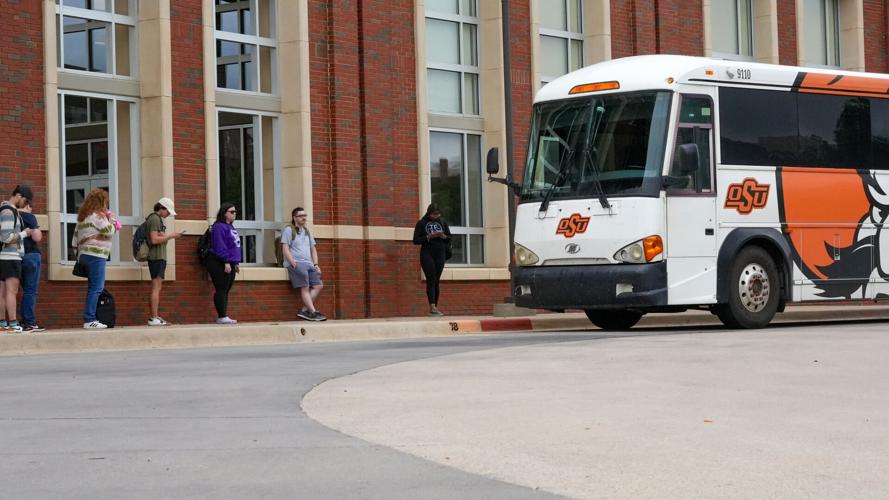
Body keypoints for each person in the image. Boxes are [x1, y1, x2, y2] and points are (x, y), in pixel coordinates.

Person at [74, 188, 120, 329]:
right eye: (106, 202)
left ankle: (90, 318)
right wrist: (112, 221)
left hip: (85, 255)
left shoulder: (83, 217)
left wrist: (79, 255)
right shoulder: (98, 216)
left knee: (92, 288)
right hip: (96, 255)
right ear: (101, 202)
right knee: (97, 288)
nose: (107, 205)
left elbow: (75, 239)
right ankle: (90, 319)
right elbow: (109, 230)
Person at [0, 185, 35, 333]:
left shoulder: (4, 210)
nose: (26, 205)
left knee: (2, 292)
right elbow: (6, 237)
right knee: (11, 291)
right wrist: (24, 234)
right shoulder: (9, 211)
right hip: (10, 257)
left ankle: (2, 324)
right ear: (19, 196)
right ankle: (13, 324)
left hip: (3, 257)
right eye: (25, 200)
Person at [281, 207, 326, 321]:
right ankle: (313, 312)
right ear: (294, 218)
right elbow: (285, 248)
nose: (303, 218)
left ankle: (305, 310)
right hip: (296, 263)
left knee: (318, 285)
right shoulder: (289, 230)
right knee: (305, 287)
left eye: (304, 215)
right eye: (301, 216)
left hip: (309, 264)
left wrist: (316, 264)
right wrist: (292, 262)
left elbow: (313, 249)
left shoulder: (306, 231)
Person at [146, 197, 183, 326]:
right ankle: (154, 317)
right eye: (168, 212)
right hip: (156, 257)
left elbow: (158, 237)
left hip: (158, 257)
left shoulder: (156, 219)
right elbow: (154, 239)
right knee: (156, 287)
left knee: (157, 287)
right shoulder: (155, 219)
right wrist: (171, 236)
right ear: (162, 208)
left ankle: (154, 316)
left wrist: (167, 236)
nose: (168, 215)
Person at [412, 203, 451, 316]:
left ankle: (435, 307)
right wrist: (429, 237)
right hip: (427, 253)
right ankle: (432, 307)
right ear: (429, 213)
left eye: (438, 214)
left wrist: (443, 236)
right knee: (431, 278)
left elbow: (449, 238)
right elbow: (415, 240)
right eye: (434, 214)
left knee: (436, 280)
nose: (436, 216)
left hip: (440, 253)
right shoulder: (421, 223)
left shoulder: (442, 222)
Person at [207, 202, 241, 324]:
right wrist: (226, 261)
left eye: (235, 212)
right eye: (232, 212)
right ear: (224, 213)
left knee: (226, 289)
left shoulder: (231, 227)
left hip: (230, 261)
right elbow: (220, 245)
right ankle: (222, 316)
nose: (234, 214)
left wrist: (236, 263)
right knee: (221, 288)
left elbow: (234, 246)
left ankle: (224, 315)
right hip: (219, 262)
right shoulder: (219, 226)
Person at [20, 199, 44, 332]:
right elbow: (37, 237)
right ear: (28, 206)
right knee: (30, 291)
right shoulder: (29, 217)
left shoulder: (11, 215)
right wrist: (37, 229)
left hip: (15, 257)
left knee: (12, 291)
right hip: (31, 256)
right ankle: (29, 321)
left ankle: (13, 322)